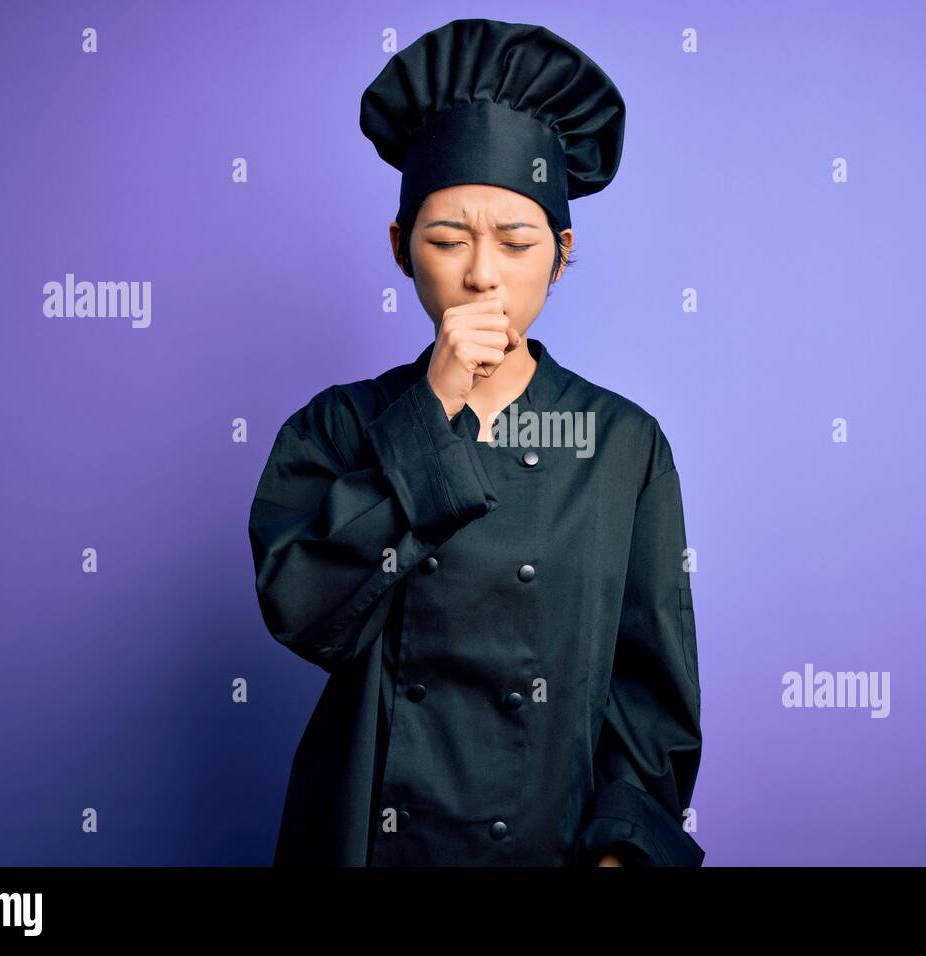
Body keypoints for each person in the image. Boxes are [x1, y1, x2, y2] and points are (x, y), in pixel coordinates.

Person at [247, 18, 703, 866]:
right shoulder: (334, 427)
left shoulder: (624, 445)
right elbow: (303, 615)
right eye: (448, 240)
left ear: (562, 257)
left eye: (517, 242)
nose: (482, 273)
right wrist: (435, 407)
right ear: (399, 249)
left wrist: (618, 852)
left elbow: (651, 692)